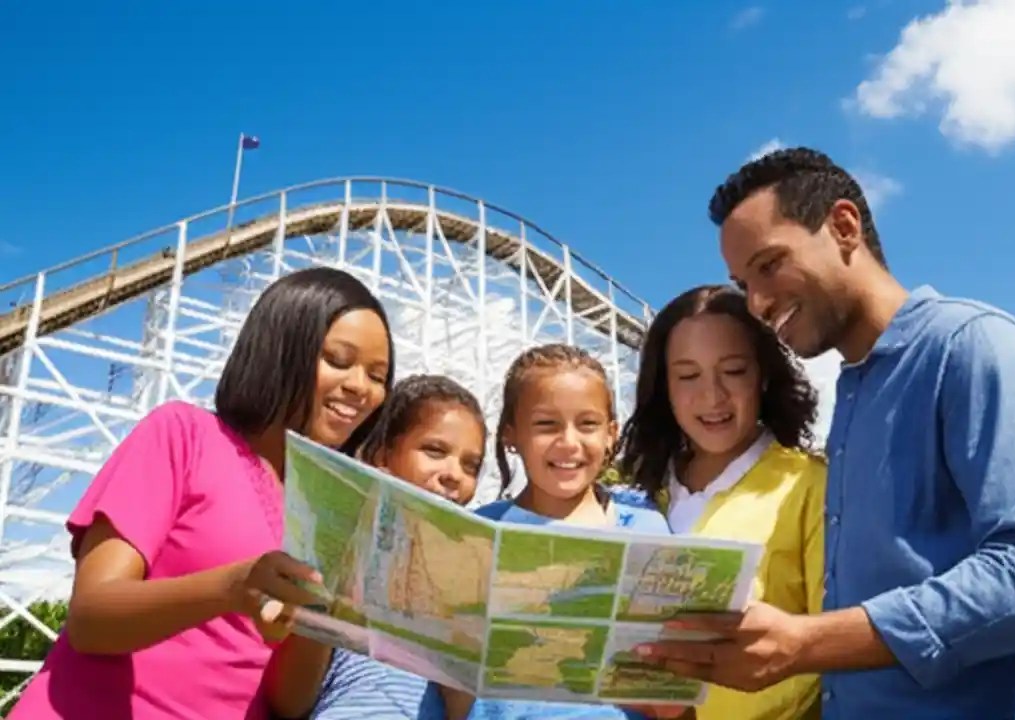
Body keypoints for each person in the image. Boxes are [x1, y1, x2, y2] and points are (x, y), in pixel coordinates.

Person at [635, 147, 1015, 719]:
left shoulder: (974, 350)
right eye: (742, 281)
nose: (756, 303)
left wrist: (804, 643)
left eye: (769, 265)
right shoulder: (851, 408)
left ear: (844, 226)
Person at [8, 266, 395, 720]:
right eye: (339, 359)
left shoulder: (332, 510)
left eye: (378, 375)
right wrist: (232, 587)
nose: (361, 388)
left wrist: (325, 613)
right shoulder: (184, 435)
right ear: (282, 347)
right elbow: (92, 618)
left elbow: (288, 702)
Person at [423, 343, 667, 720]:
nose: (569, 442)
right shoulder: (477, 534)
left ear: (610, 434)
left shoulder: (645, 526)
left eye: (587, 424)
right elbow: (452, 682)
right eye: (546, 425)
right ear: (511, 435)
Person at [615, 284, 825, 720]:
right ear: (664, 387)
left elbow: (834, 646)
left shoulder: (809, 485)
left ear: (762, 375)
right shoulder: (637, 497)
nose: (712, 397)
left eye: (732, 371)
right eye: (688, 376)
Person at [305, 373, 489, 719]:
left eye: (471, 465)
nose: (454, 474)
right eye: (434, 451)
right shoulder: (342, 550)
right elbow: (292, 699)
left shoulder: (465, 577)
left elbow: (460, 711)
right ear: (381, 455)